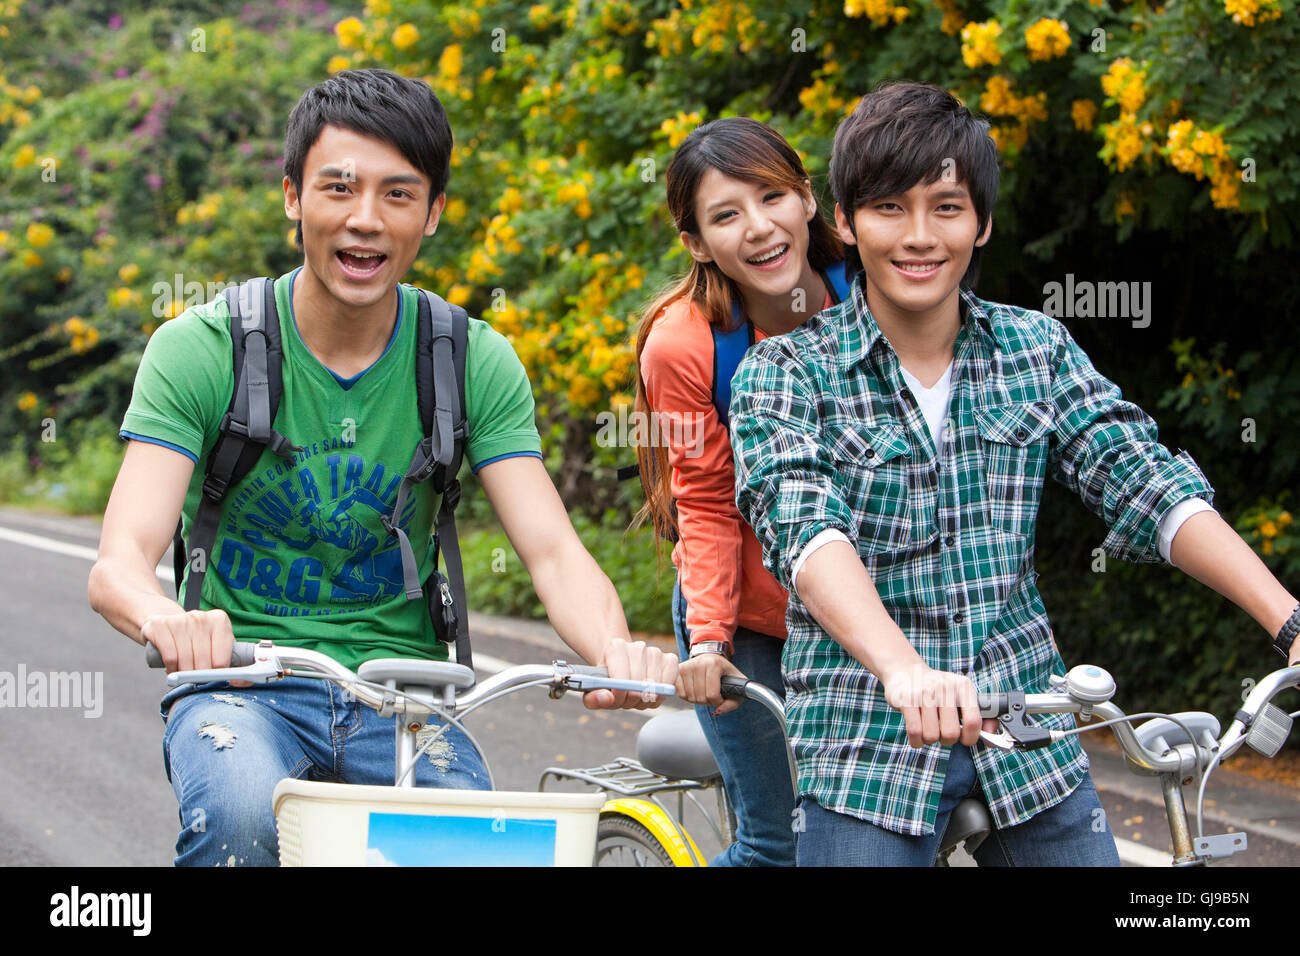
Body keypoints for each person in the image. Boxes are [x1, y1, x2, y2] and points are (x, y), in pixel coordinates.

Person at [87, 68, 676, 867]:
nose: (365, 221)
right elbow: (120, 558)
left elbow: (552, 551)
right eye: (339, 188)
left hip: (403, 699)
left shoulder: (470, 361)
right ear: (293, 196)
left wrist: (616, 650)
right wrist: (167, 620)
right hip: (241, 686)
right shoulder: (202, 349)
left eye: (398, 195)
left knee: (473, 851)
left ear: (432, 213)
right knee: (239, 823)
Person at [729, 81, 1300, 866]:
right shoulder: (786, 372)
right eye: (889, 207)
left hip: (1025, 725)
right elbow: (804, 529)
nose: (919, 236)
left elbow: (1143, 480)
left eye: (947, 206)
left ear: (983, 222)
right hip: (866, 733)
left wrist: (1290, 623)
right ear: (846, 221)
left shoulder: (1037, 350)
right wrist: (903, 672)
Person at [633, 117, 846, 866]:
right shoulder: (685, 344)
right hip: (750, 619)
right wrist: (712, 641)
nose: (759, 228)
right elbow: (707, 503)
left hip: (869, 611)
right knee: (775, 845)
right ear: (695, 241)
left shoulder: (876, 289)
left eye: (772, 197)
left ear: (808, 199)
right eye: (726, 215)